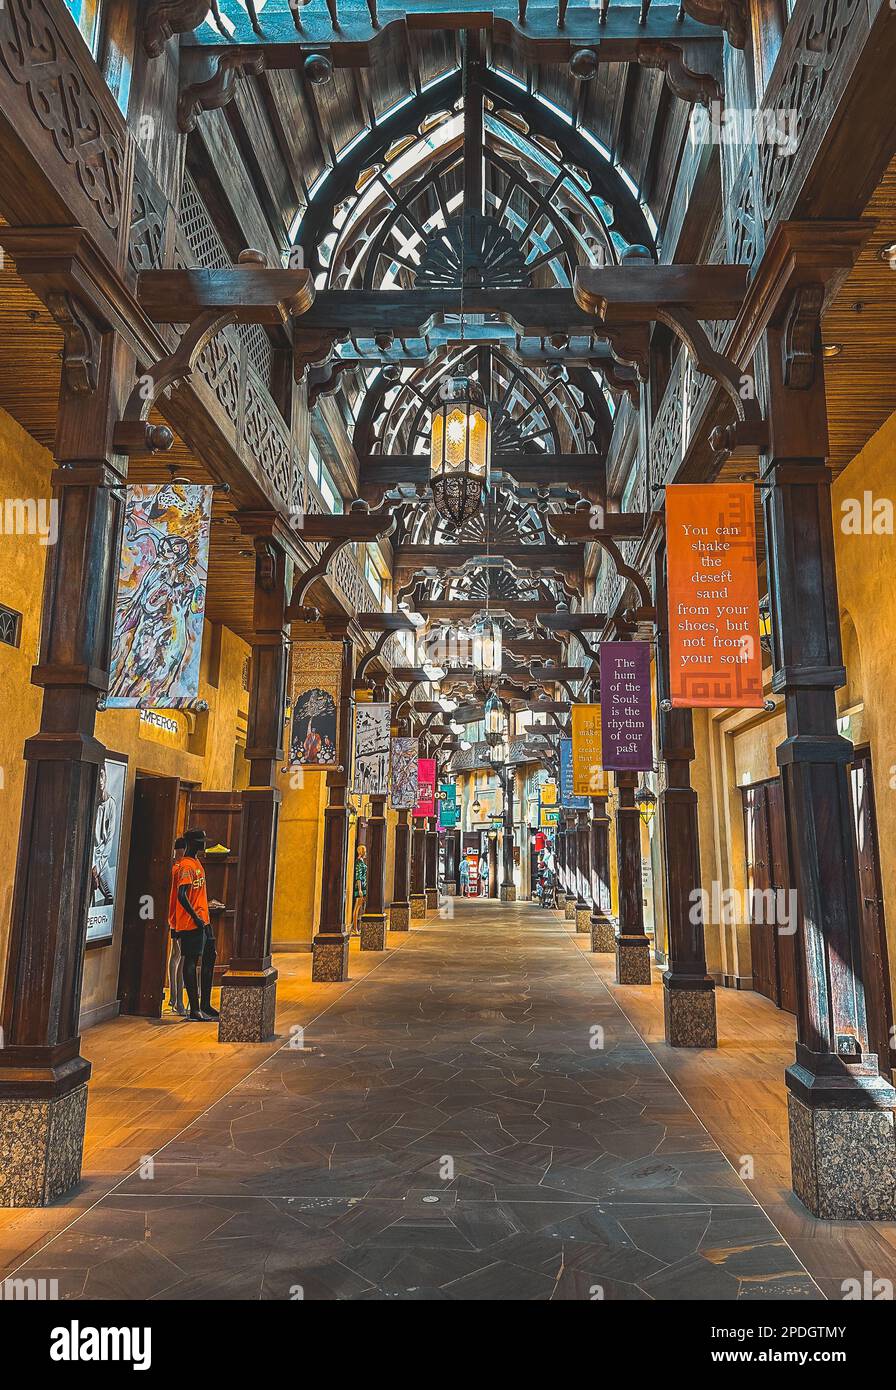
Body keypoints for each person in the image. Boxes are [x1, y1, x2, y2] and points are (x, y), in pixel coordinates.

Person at [171, 827, 218, 1021]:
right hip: (192, 922)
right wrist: (195, 917)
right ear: (192, 843)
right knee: (190, 960)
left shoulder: (196, 863)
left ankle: (205, 1004)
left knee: (210, 956)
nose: (203, 844)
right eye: (200, 842)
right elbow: (182, 895)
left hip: (203, 918)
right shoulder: (185, 866)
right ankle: (194, 1009)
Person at [166, 836, 187, 1015]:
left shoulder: (174, 867)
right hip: (179, 918)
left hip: (173, 917)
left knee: (175, 955)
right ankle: (179, 1003)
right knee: (181, 957)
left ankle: (173, 997)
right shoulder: (181, 868)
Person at [351, 842, 368, 936]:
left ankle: (358, 927)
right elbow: (358, 876)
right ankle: (355, 928)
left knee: (360, 906)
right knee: (357, 907)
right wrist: (360, 889)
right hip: (359, 887)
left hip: (363, 886)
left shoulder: (361, 861)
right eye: (365, 851)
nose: (366, 853)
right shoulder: (358, 862)